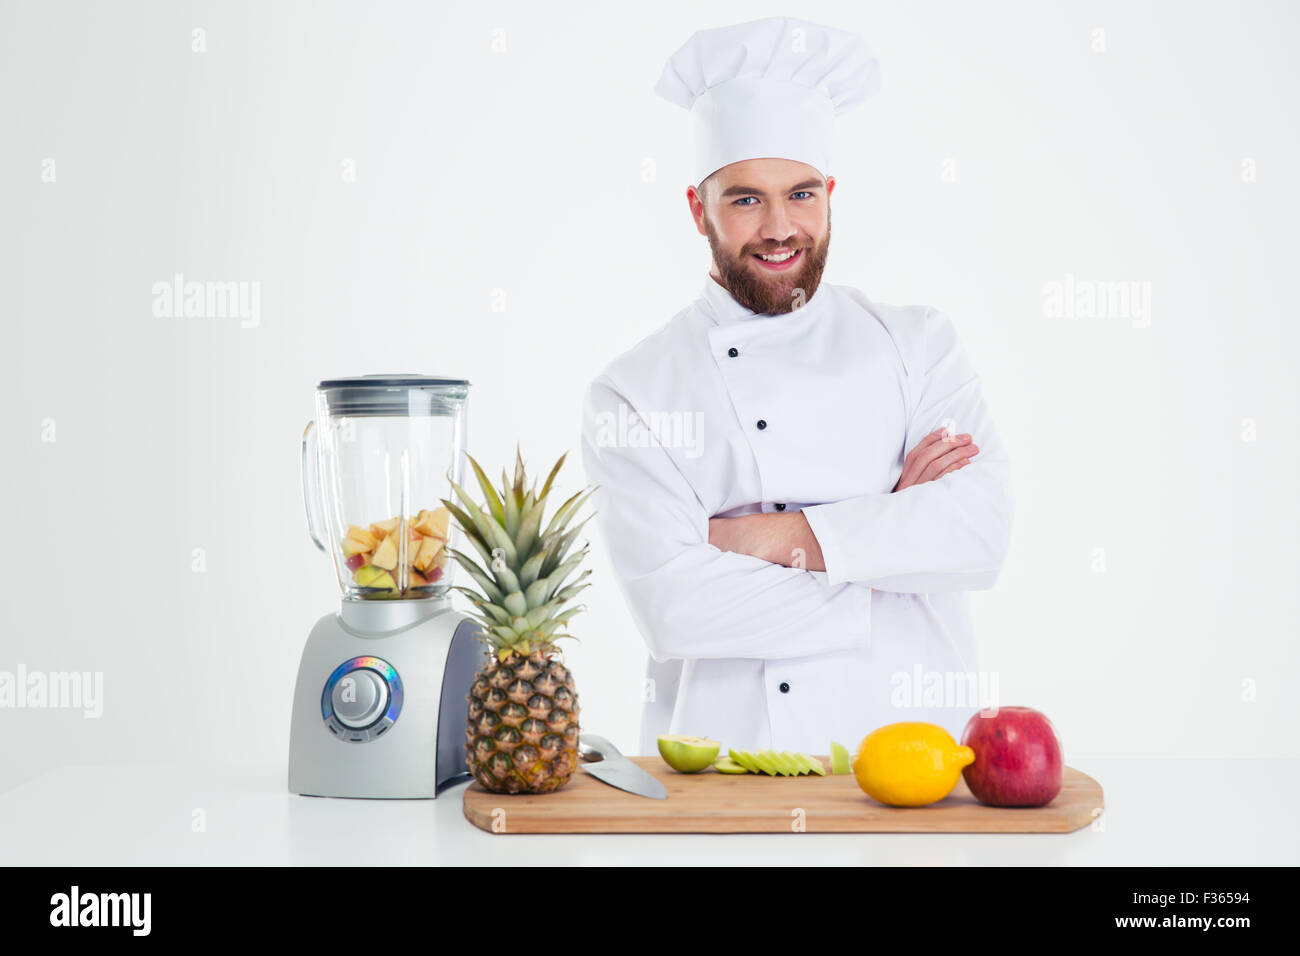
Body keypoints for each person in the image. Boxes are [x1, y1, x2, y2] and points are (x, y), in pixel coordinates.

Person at [580, 16, 1013, 755]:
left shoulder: (918, 343)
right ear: (697, 209)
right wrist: (888, 537)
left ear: (831, 193)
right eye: (746, 199)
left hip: (917, 765)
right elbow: (676, 610)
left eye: (802, 194)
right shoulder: (634, 392)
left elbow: (977, 538)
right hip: (725, 772)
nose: (780, 228)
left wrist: (752, 539)